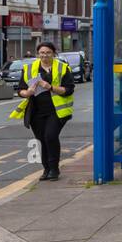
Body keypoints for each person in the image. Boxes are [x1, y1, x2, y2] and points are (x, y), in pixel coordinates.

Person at [9, 40, 74, 181]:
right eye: (42, 53)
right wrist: (27, 93)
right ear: (38, 54)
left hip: (56, 111)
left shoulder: (63, 68)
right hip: (36, 111)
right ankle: (46, 169)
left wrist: (50, 87)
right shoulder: (29, 68)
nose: (45, 56)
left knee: (50, 136)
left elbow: (68, 90)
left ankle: (54, 169)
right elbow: (20, 90)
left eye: (48, 53)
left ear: (54, 53)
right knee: (41, 140)